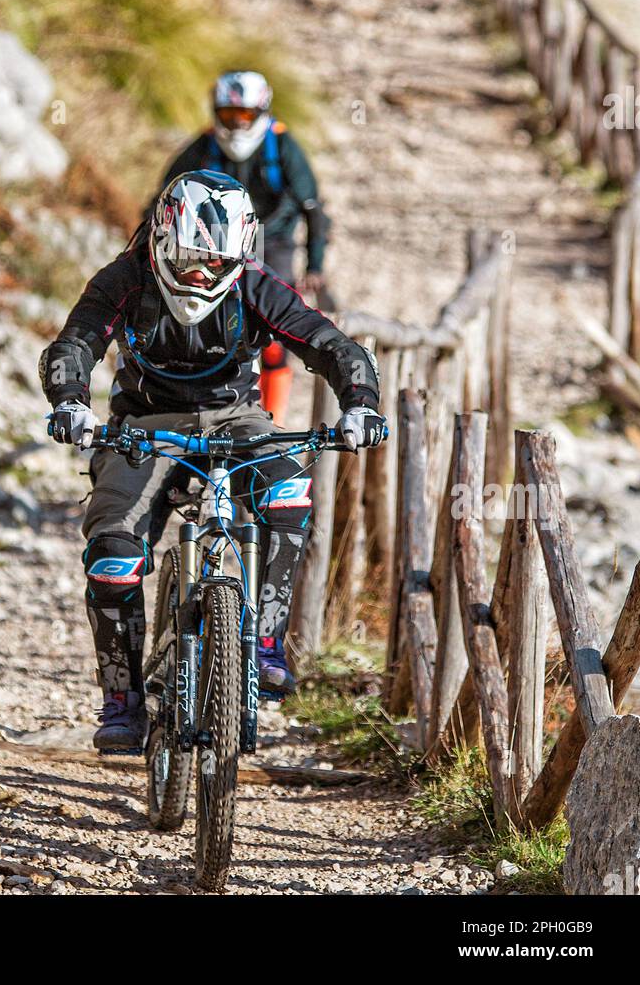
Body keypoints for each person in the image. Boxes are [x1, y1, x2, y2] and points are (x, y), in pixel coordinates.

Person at [40, 171, 384, 753]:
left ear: (240, 254)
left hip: (237, 419)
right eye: (193, 257)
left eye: (217, 261)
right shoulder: (126, 277)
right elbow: (75, 343)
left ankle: (268, 643)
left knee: (288, 495)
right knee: (113, 555)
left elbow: (328, 342)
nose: (202, 274)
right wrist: (71, 402)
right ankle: (122, 701)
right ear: (166, 238)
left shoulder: (254, 285)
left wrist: (361, 404)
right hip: (142, 427)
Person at [153, 70, 329, 424]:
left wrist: (315, 265)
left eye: (244, 116)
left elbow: (314, 209)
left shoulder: (282, 146)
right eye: (227, 115)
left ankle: (271, 421)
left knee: (274, 330)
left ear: (261, 111)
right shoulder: (202, 146)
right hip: (212, 247)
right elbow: (162, 199)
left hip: (271, 242)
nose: (235, 125)